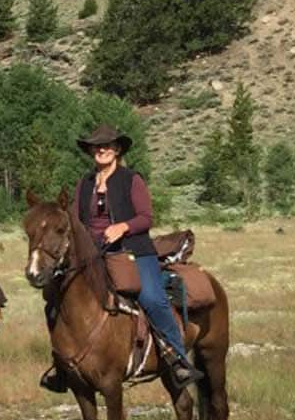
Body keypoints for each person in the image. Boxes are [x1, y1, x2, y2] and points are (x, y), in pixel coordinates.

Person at [43, 125, 204, 391]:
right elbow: (74, 219)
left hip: (132, 250)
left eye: (106, 145)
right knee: (54, 298)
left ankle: (177, 359)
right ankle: (61, 365)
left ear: (117, 150)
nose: (101, 149)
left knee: (153, 298)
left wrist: (122, 227)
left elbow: (146, 217)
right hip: (93, 255)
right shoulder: (84, 184)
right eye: (96, 146)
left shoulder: (131, 180)